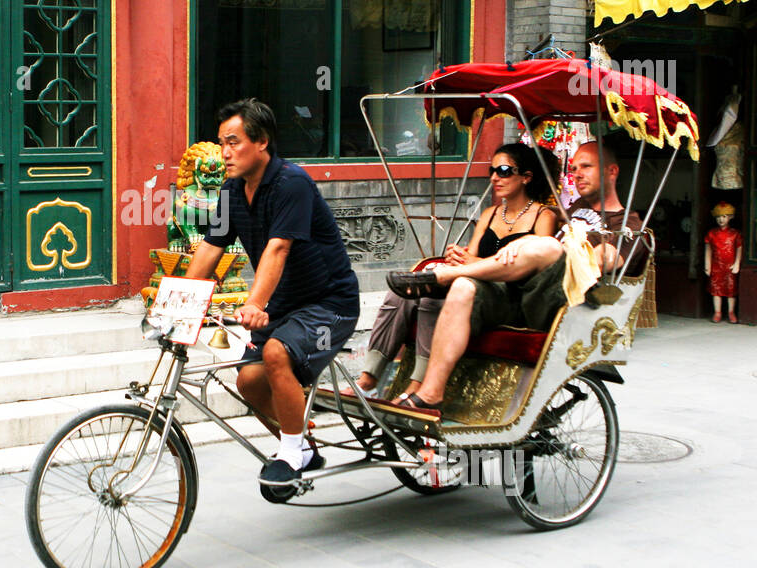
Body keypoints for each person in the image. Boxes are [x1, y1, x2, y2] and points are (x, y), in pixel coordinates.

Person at [386, 139, 644, 414]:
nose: (577, 173)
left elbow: (606, 258)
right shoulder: (568, 211)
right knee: (463, 287)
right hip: (513, 295)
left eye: (587, 167)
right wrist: (521, 243)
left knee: (548, 246)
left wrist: (535, 245)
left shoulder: (628, 224)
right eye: (575, 167)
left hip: (556, 302)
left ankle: (446, 276)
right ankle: (431, 391)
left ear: (611, 172)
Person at [185, 98, 361, 498]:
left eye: (234, 142)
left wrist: (255, 303)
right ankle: (304, 449)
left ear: (262, 141)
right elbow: (211, 248)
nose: (224, 153)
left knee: (277, 353)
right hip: (285, 305)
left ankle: (291, 451)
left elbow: (278, 248)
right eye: (221, 143)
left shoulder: (292, 183)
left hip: (329, 304)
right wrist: (178, 303)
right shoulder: (232, 190)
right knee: (248, 380)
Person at [347, 143, 559, 401]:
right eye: (492, 170)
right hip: (475, 282)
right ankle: (368, 377)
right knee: (404, 292)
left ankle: (418, 382)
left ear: (526, 177)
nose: (494, 177)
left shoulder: (543, 216)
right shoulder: (490, 214)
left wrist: (469, 262)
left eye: (503, 171)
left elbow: (534, 266)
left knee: (433, 295)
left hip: (509, 295)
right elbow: (473, 255)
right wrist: (458, 257)